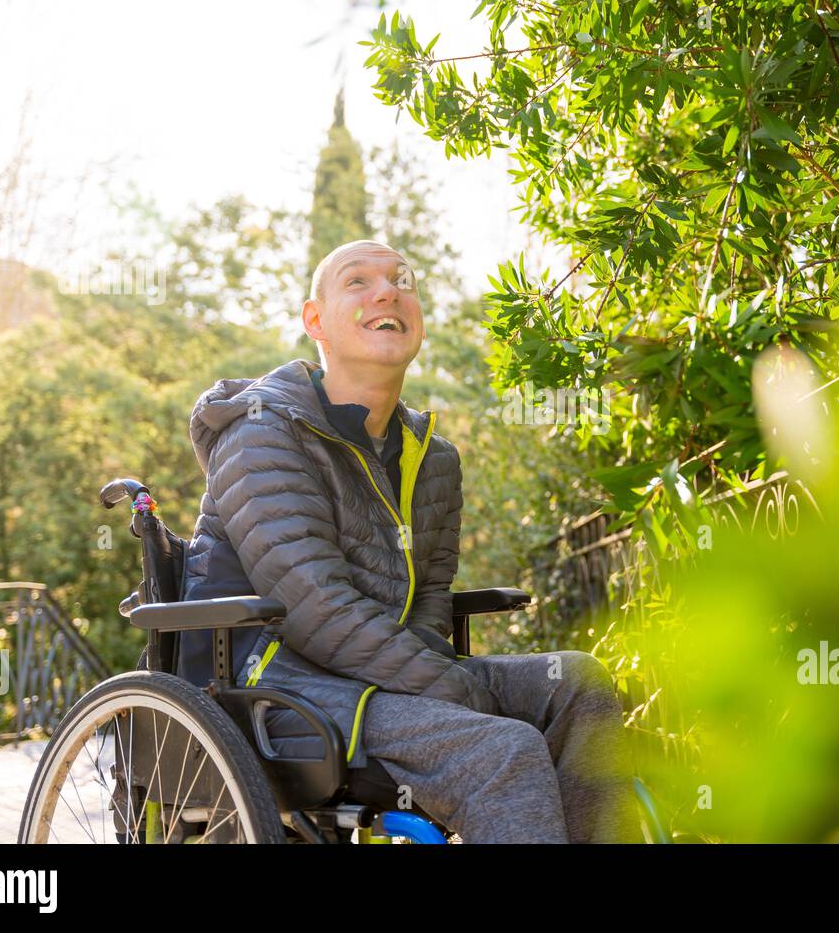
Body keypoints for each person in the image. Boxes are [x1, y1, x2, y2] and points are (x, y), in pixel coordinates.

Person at [178, 238, 640, 843]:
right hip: (280, 681)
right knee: (503, 749)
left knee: (576, 680)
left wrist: (437, 678)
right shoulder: (262, 434)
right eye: (357, 282)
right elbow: (315, 611)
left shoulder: (434, 458)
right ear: (314, 320)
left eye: (402, 280)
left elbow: (431, 594)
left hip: (385, 679)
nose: (387, 290)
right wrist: (452, 688)